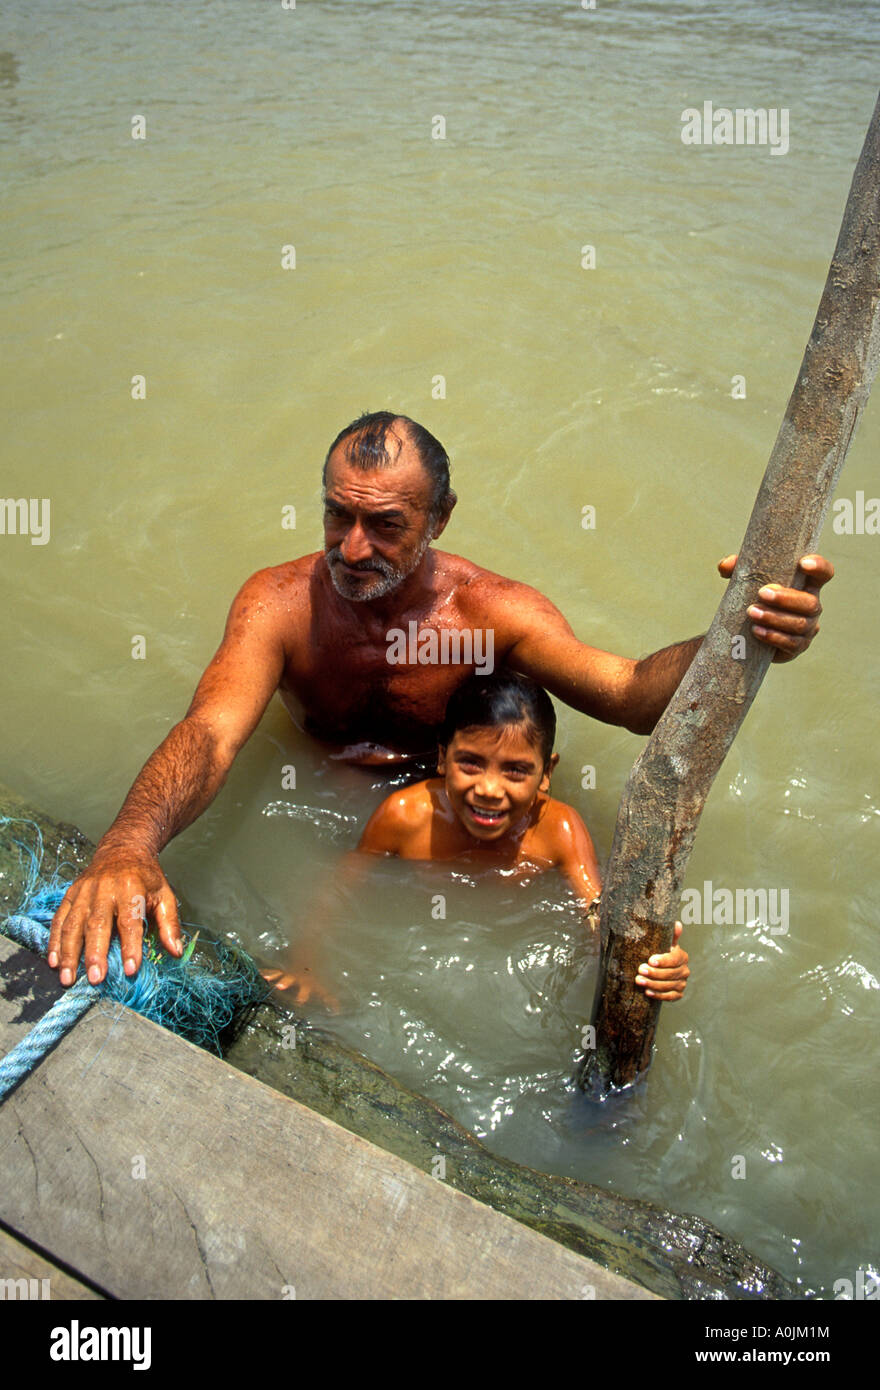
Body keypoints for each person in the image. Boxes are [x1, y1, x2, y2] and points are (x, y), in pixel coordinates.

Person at [47, 411, 833, 987]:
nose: (353, 549)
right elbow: (213, 734)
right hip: (355, 815)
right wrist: (128, 843)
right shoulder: (280, 605)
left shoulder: (489, 613)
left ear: (440, 518)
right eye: (338, 515)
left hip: (466, 803)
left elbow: (629, 696)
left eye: (385, 524)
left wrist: (742, 634)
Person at [355, 671, 689, 1001]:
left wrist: (650, 961)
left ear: (546, 774)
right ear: (442, 758)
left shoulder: (559, 830)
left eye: (515, 770)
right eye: (470, 763)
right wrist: (310, 962)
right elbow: (343, 890)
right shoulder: (403, 818)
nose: (488, 789)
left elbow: (596, 913)